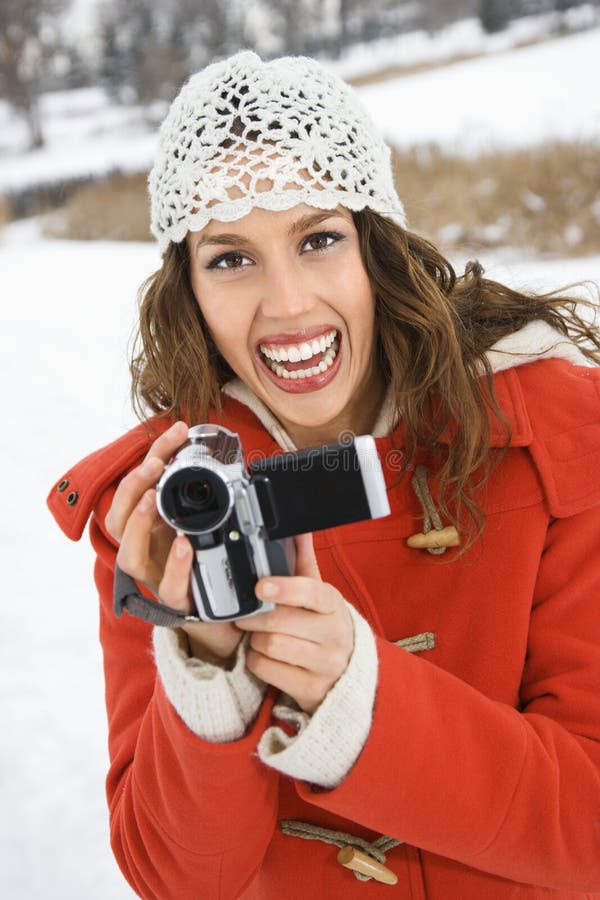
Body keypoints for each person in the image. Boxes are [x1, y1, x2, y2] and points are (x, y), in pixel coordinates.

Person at [48, 50, 600, 900]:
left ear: (376, 248)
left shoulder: (560, 435)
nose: (289, 304)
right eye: (230, 258)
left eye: (318, 239)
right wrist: (208, 667)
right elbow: (179, 879)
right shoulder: (166, 512)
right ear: (188, 289)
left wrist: (364, 703)